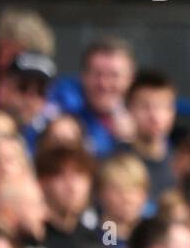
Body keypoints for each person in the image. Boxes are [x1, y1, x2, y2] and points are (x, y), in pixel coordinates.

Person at [50, 38, 136, 157]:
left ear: (130, 79)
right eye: (97, 74)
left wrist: (130, 144)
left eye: (114, 75)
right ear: (83, 76)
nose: (104, 84)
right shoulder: (64, 108)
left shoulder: (146, 116)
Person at [35, 143, 100, 248]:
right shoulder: (33, 238)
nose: (72, 187)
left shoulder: (94, 239)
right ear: (42, 183)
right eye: (61, 176)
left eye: (80, 175)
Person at [121, 70, 177, 202]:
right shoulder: (114, 163)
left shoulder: (180, 166)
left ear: (172, 112)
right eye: (145, 107)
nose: (155, 116)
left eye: (162, 106)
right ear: (129, 109)